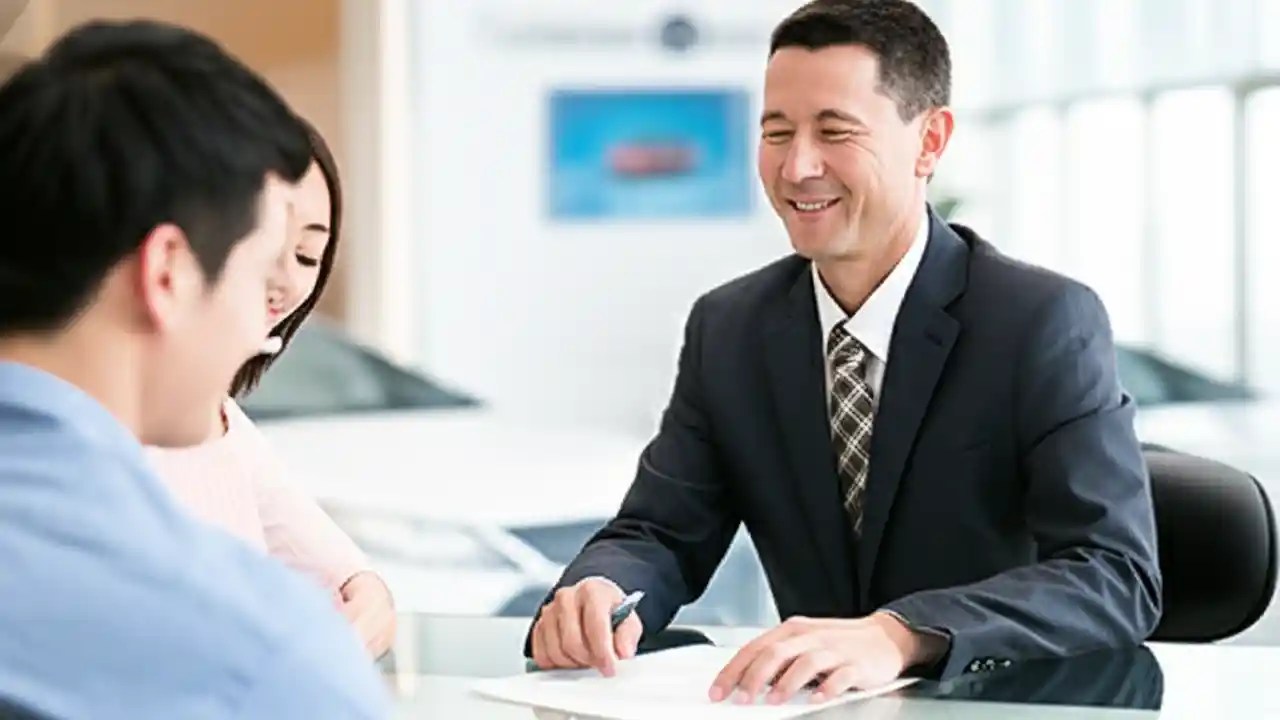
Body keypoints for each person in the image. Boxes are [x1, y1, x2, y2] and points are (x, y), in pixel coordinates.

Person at [526, 0, 1161, 706]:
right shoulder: (730, 328)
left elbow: (1114, 575)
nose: (798, 166)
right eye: (777, 132)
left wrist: (902, 634)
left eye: (835, 132)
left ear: (929, 141)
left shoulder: (1039, 321)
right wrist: (603, 588)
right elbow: (662, 531)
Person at [0, 19, 388, 718]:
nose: (263, 320)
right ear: (168, 272)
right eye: (258, 270)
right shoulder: (257, 652)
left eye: (305, 259)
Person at [146, 119, 397, 660]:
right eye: (263, 243)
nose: (285, 279)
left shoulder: (222, 421)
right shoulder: (99, 424)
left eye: (307, 256)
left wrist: (350, 631)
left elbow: (355, 586)